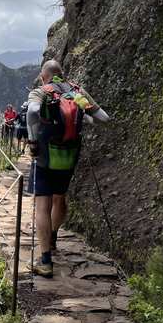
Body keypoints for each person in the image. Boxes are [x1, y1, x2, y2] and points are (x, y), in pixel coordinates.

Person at [26, 59, 110, 274]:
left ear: (43, 75)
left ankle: (45, 262)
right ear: (62, 74)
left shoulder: (41, 91)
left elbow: (33, 113)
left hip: (45, 155)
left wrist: (33, 142)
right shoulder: (77, 91)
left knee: (42, 204)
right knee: (60, 198)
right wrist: (84, 121)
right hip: (69, 155)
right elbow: (103, 118)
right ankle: (53, 237)